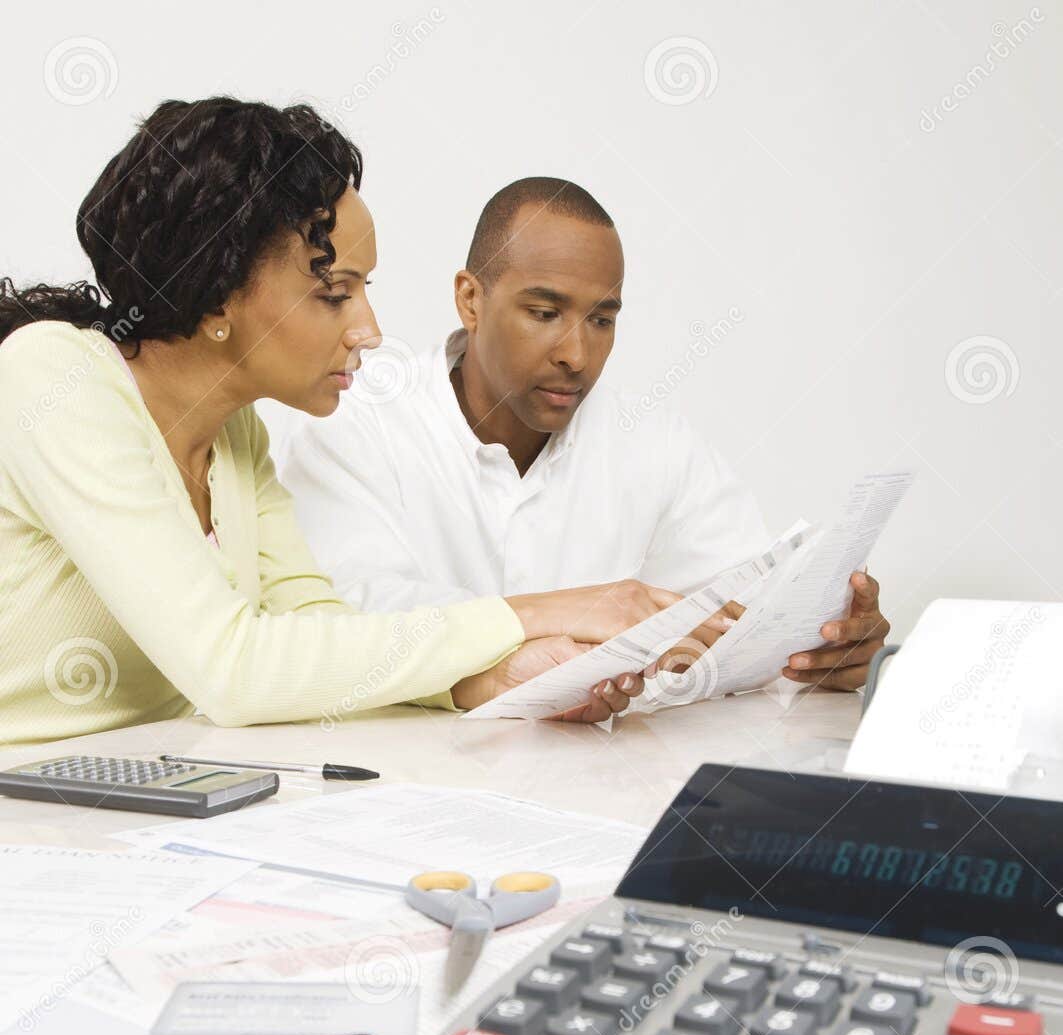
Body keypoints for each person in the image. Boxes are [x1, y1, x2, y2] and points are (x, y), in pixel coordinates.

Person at [0, 106, 699, 748]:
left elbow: (319, 631)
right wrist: (534, 614)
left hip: (137, 798)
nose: (368, 330)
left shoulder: (237, 437)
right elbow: (231, 669)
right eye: (334, 294)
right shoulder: (54, 379)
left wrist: (490, 680)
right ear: (218, 291)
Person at [282, 178, 889, 692]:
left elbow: (746, 611)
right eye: (544, 314)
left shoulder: (653, 441)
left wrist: (818, 645)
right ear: (471, 298)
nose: (576, 354)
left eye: (602, 319)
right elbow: (341, 620)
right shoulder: (354, 422)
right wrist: (572, 617)